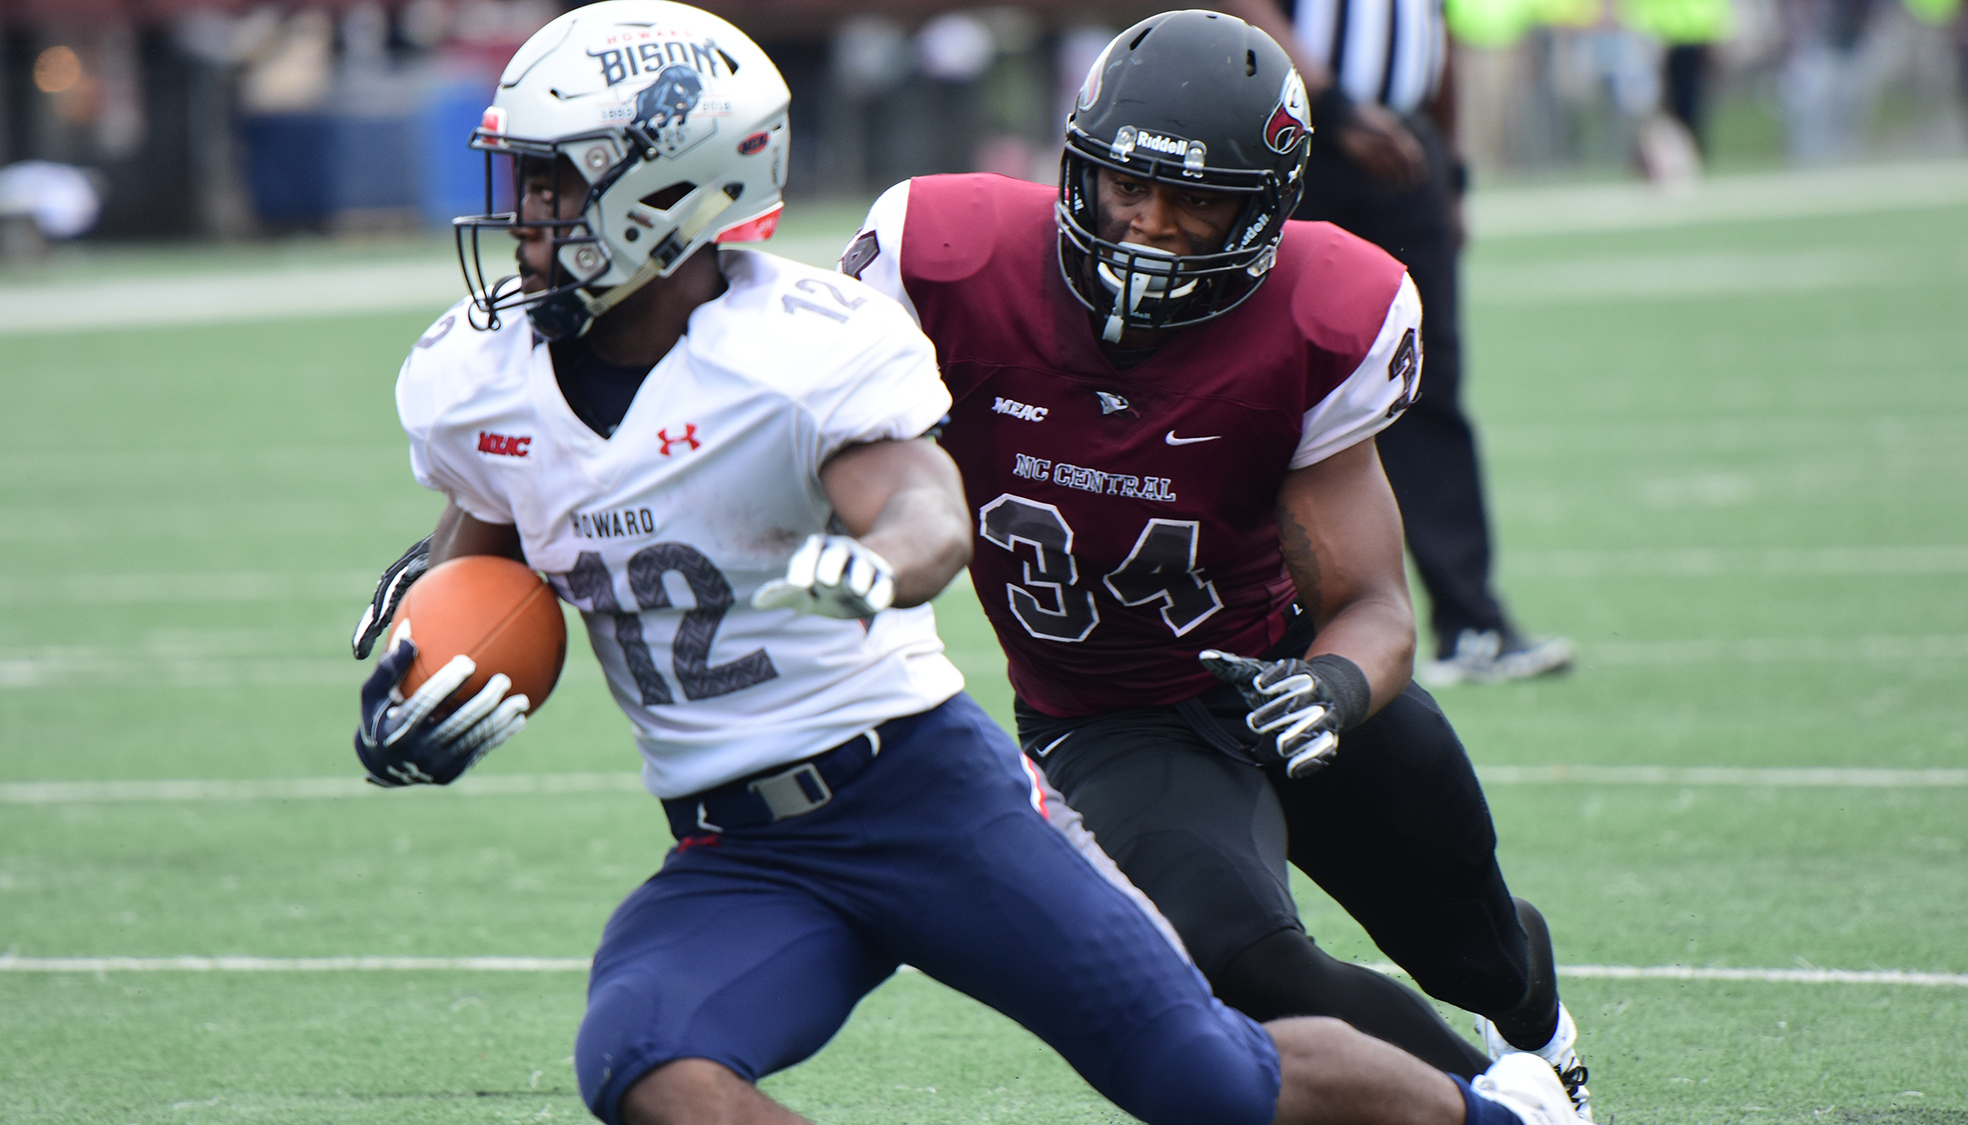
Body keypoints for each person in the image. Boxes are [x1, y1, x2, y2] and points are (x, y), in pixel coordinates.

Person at [345, 5, 1589, 1125]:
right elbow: (487, 546)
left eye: (555, 186)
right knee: (650, 1061)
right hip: (884, 788)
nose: (524, 217)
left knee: (1314, 1025)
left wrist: (876, 569)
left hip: (1043, 758)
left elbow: (923, 508)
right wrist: (422, 659)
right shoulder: (487, 374)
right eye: (1123, 192)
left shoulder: (799, 346)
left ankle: (1517, 1086)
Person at [839, 8, 1592, 1116]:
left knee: (1476, 956)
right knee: (1245, 967)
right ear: (1076, 167)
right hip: (1107, 713)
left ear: (1268, 207)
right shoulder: (946, 260)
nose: (1151, 227)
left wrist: (1331, 686)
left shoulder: (1322, 312)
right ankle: (1503, 1105)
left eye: (1198, 201)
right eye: (1127, 189)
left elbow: (1376, 603)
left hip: (1282, 671)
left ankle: (1534, 1029)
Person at [1214, 0, 1570, 684]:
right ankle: (1274, 623)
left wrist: (1451, 164)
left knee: (1427, 385)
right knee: (1278, 382)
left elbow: (1433, 35)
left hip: (1406, 150)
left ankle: (1471, 620)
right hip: (1312, 139)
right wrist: (1337, 109)